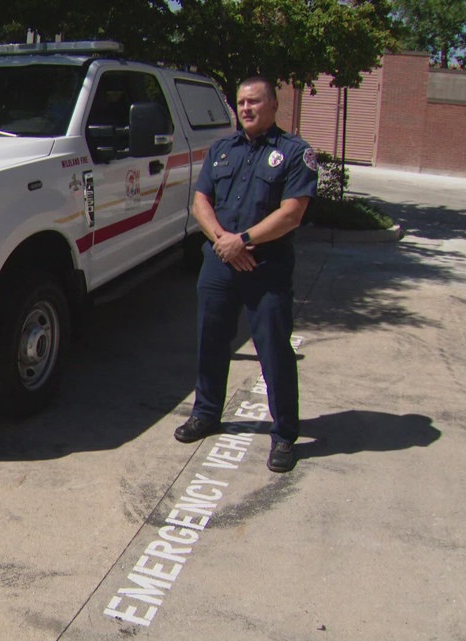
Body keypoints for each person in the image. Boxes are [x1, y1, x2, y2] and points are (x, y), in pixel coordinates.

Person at [175, 76, 318, 473]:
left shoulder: (294, 152)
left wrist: (245, 240)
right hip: (220, 262)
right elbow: (200, 200)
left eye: (254, 102)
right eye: (240, 102)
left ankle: (285, 434)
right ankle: (206, 413)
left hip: (266, 267)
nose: (246, 109)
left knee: (273, 350)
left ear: (274, 104)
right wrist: (224, 241)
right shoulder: (222, 149)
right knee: (211, 342)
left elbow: (293, 212)